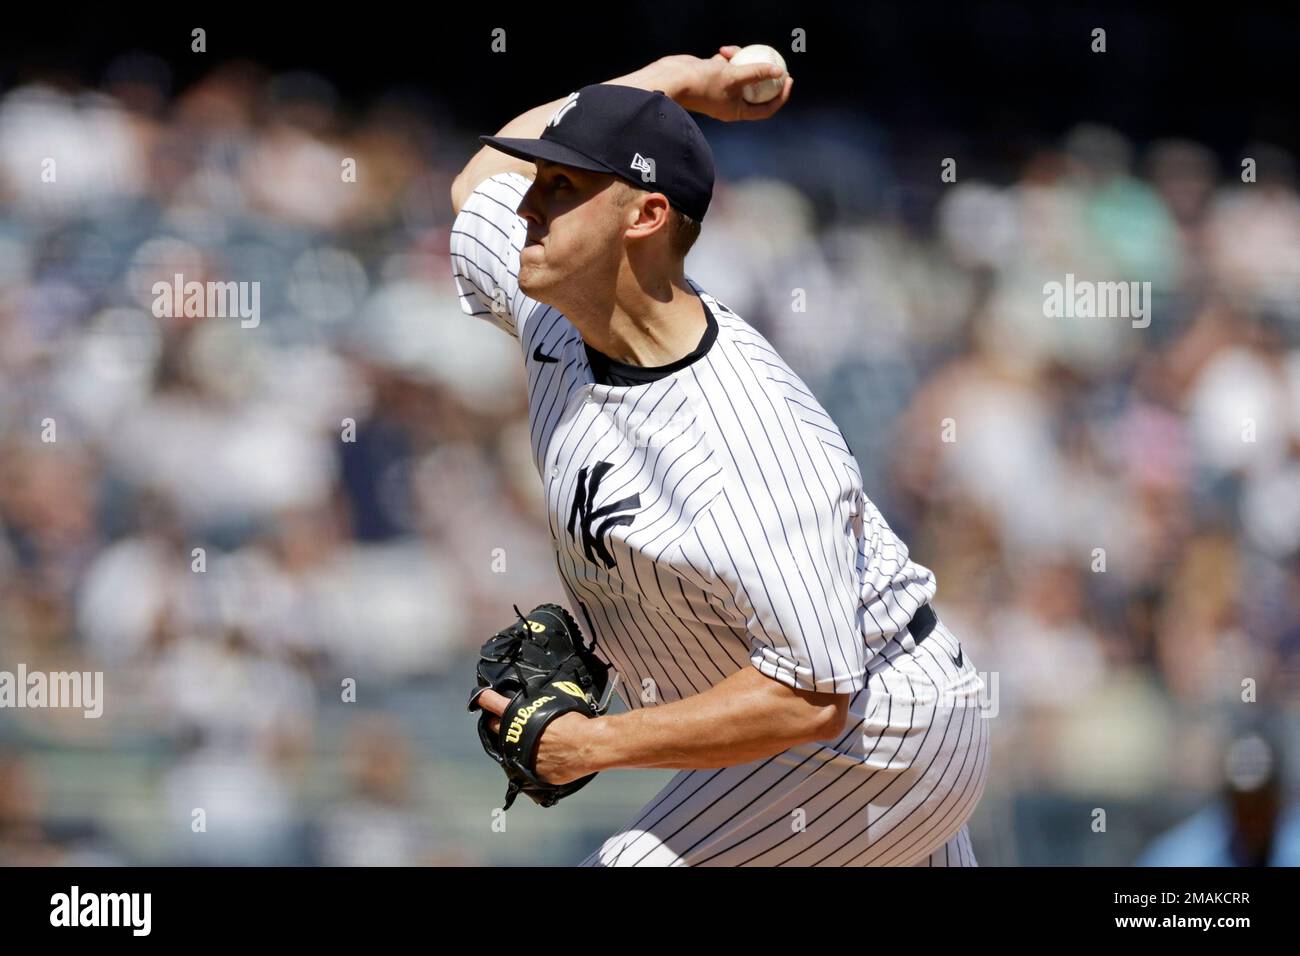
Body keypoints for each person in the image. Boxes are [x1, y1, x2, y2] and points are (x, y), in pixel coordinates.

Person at [448, 47, 990, 866]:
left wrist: (591, 743)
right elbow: (473, 184)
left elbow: (812, 695)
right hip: (795, 728)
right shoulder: (554, 306)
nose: (526, 205)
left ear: (645, 217)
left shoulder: (744, 438)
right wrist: (677, 82)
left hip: (879, 733)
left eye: (561, 186)